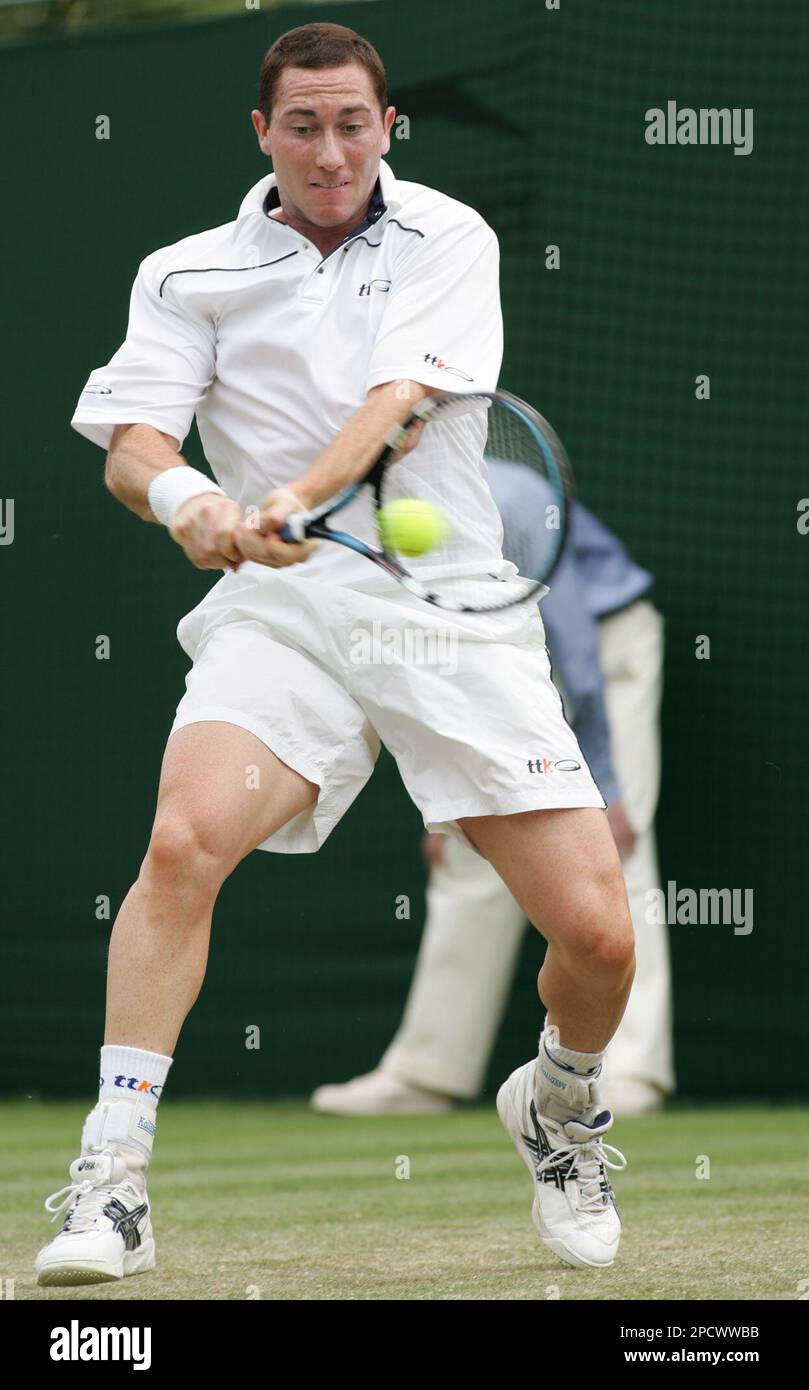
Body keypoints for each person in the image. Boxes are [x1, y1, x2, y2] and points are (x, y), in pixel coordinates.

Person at [35, 21, 635, 1286]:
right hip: (286, 618)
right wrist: (192, 505)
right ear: (262, 132)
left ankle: (561, 1103)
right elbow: (131, 439)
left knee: (598, 940)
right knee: (182, 839)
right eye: (301, 124)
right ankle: (111, 1182)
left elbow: (398, 404)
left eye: (351, 123)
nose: (327, 150)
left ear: (385, 128)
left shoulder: (449, 237)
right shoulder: (186, 271)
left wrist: (295, 499)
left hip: (448, 605)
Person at [312, 468, 674, 1119]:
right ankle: (427, 1070)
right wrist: (444, 800)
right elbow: (419, 662)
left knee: (614, 853)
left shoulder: (512, 501)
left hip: (600, 646)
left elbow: (571, 647)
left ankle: (632, 1069)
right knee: (471, 857)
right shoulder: (354, 520)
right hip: (491, 656)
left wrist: (605, 783)